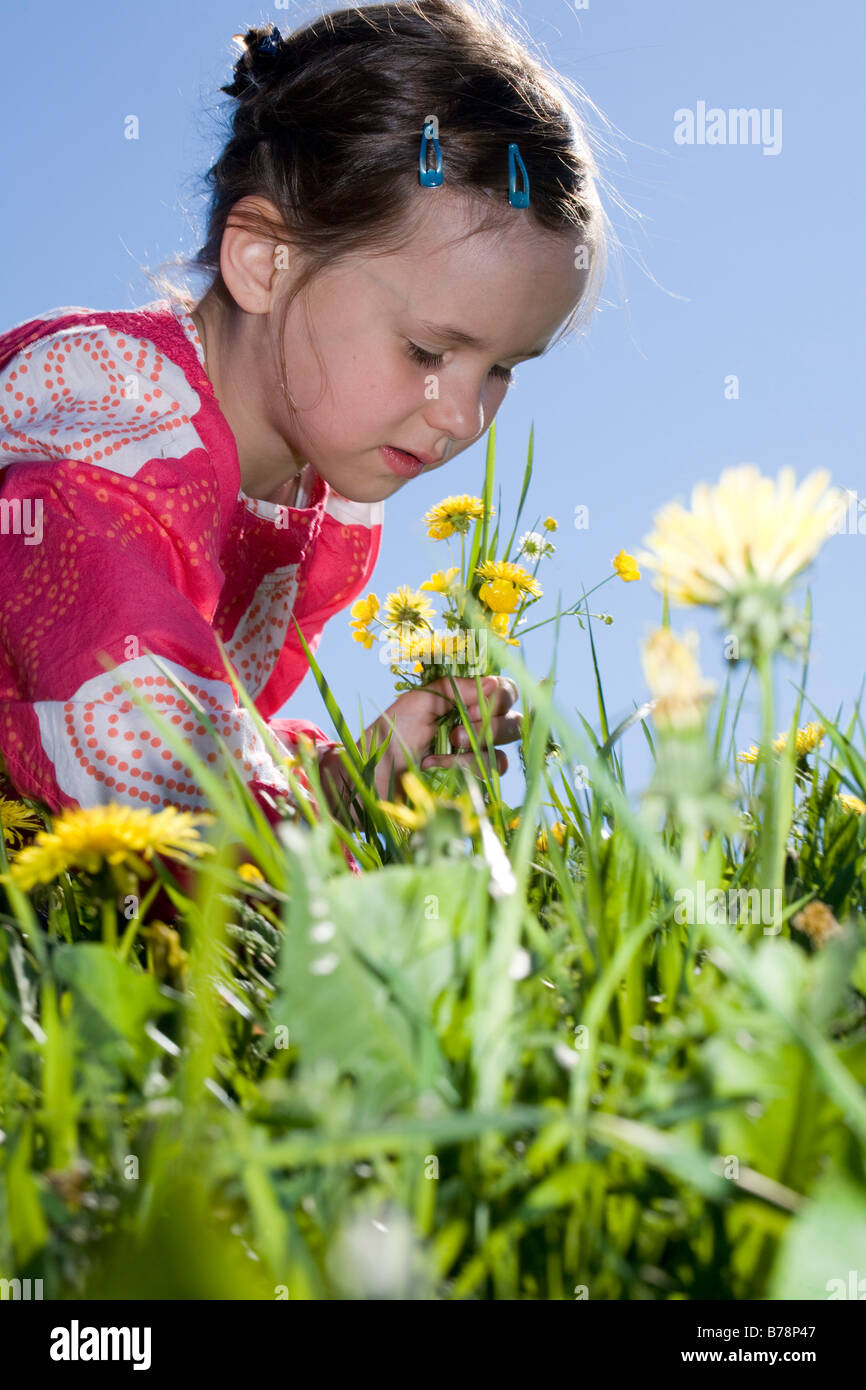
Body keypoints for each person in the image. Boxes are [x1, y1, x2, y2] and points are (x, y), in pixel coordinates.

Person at [0, 0, 608, 832]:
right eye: (428, 353)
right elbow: (150, 759)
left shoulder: (315, 491)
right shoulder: (106, 430)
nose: (463, 417)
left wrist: (341, 781)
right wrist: (348, 915)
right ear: (263, 262)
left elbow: (205, 732)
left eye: (500, 367)